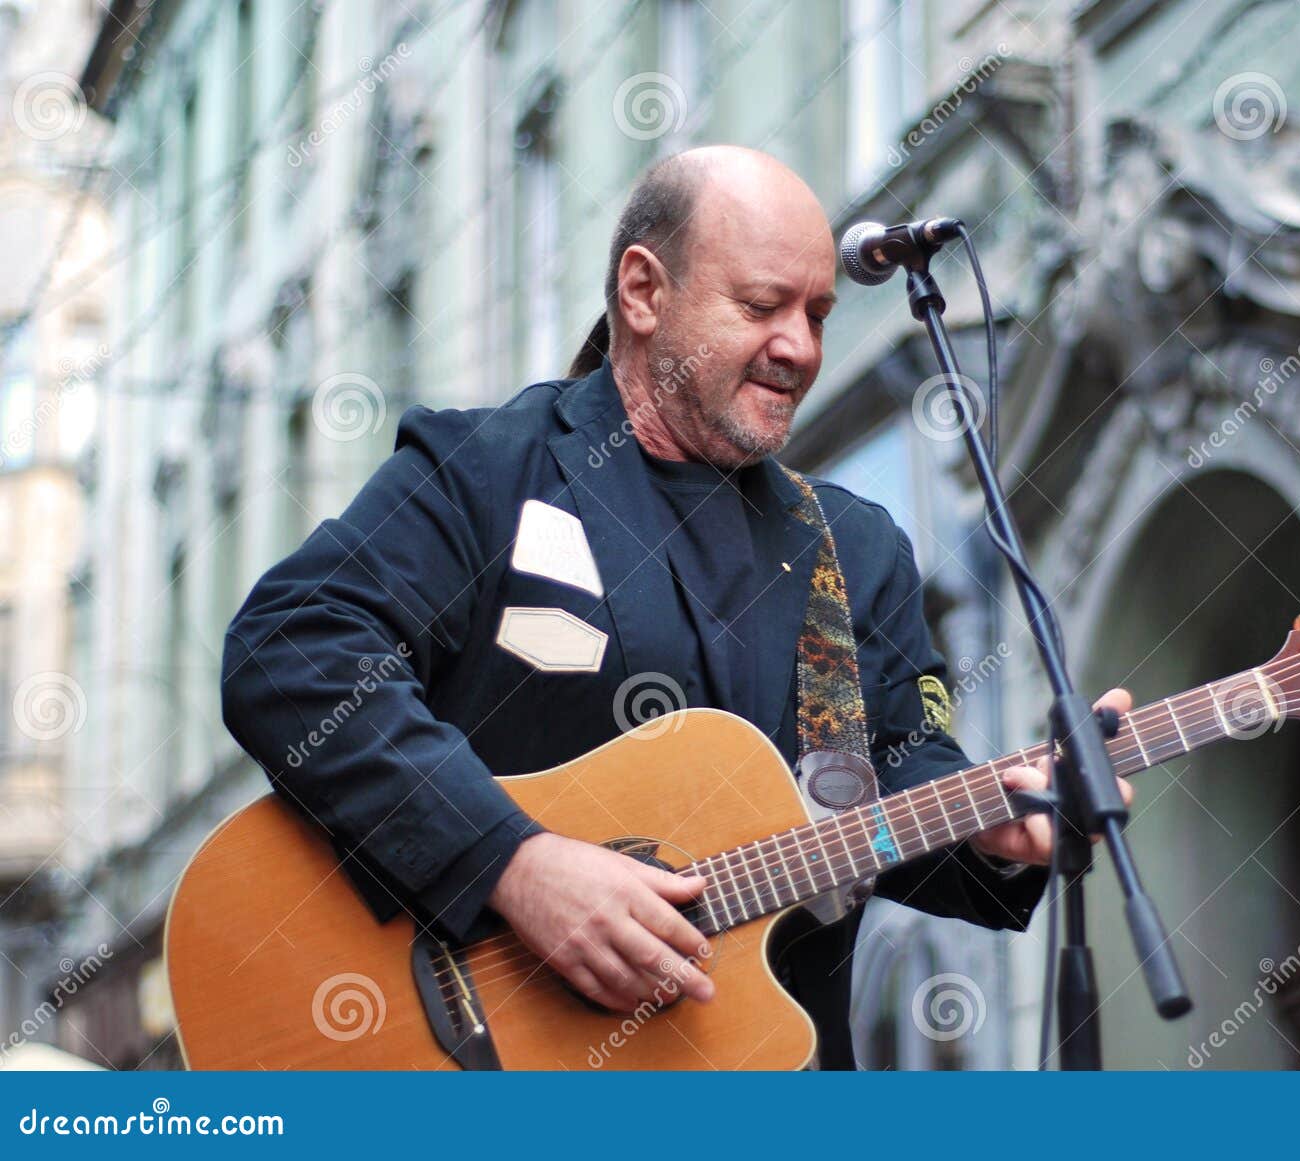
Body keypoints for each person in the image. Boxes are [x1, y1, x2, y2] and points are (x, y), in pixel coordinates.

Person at [221, 145, 1132, 1070]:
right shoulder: (491, 473)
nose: (802, 348)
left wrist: (996, 830)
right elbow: (289, 650)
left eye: (817, 313)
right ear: (645, 292)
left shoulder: (854, 549)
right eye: (762, 306)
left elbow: (896, 782)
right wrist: (511, 863)